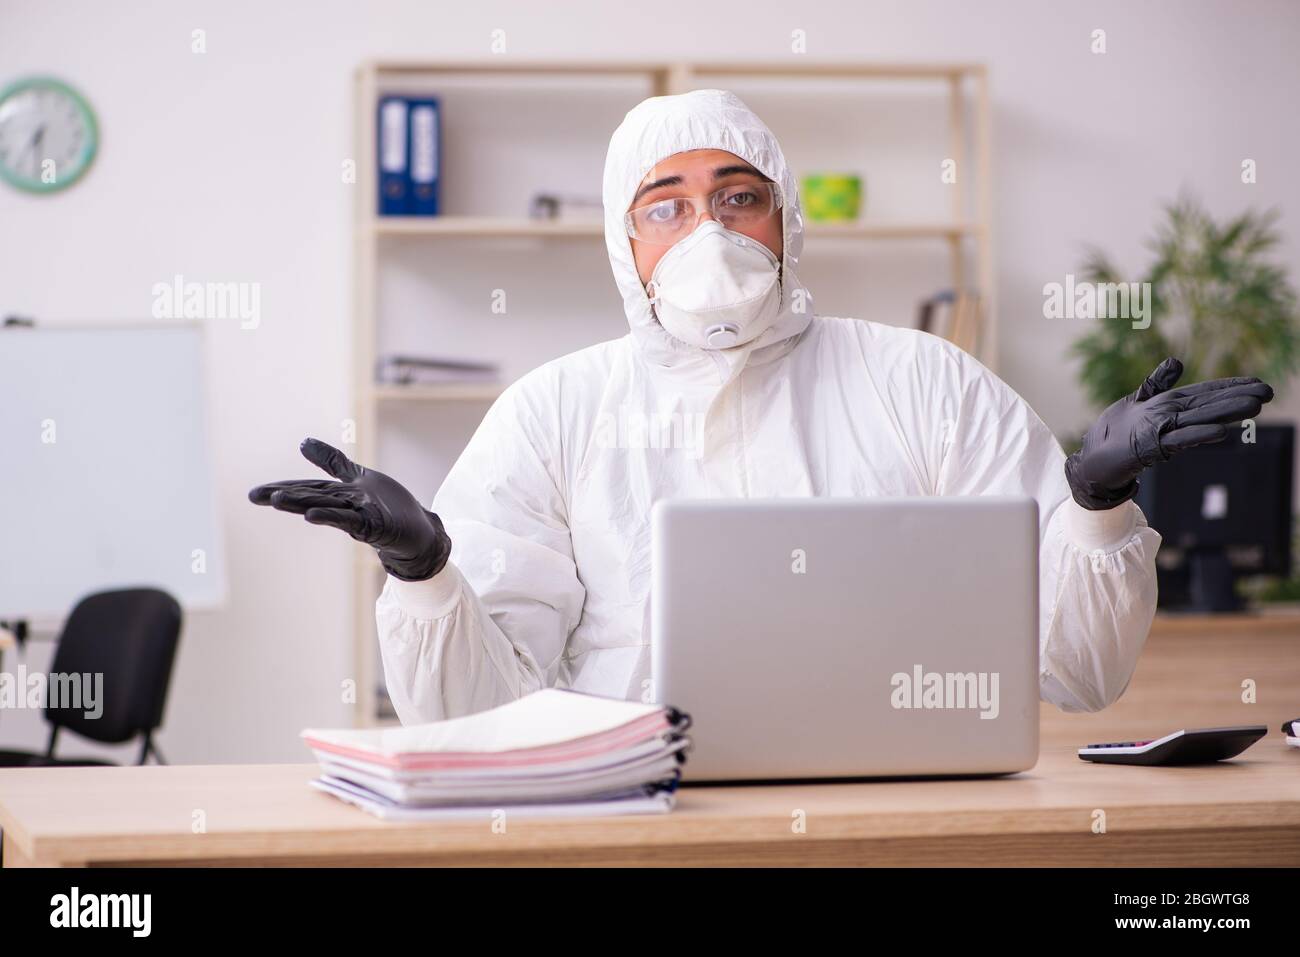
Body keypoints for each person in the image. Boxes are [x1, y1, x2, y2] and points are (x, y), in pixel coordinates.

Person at [250, 90, 1274, 724]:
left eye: (738, 197)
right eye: (669, 206)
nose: (710, 229)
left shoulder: (922, 383)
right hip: (632, 825)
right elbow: (478, 714)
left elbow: (1078, 677)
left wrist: (1093, 507)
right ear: (625, 243)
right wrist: (424, 573)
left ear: (784, 217)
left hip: (905, 822)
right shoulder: (555, 412)